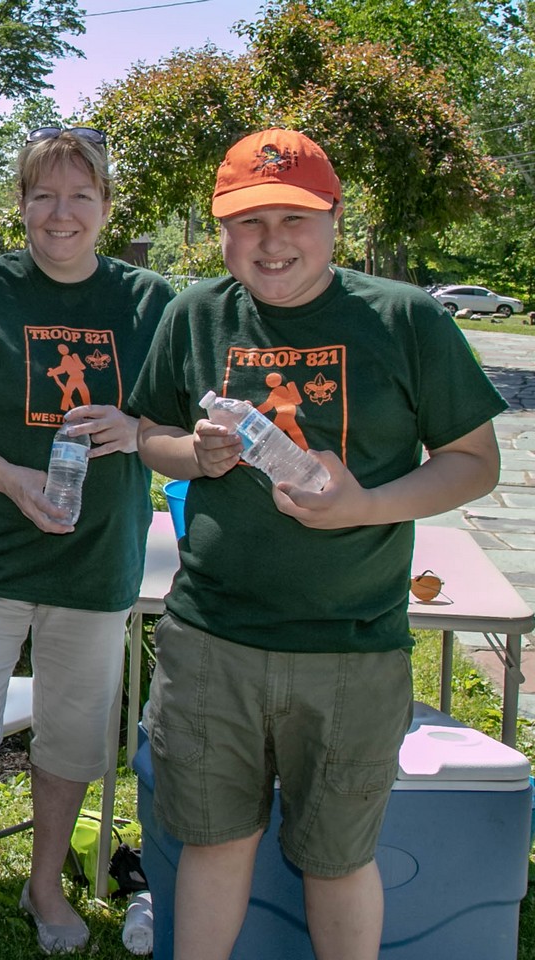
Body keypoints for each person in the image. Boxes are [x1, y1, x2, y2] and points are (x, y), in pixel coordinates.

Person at [131, 128, 506, 960]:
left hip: (353, 647)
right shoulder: (194, 314)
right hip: (211, 641)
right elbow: (147, 432)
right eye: (248, 220)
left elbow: (475, 462)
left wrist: (366, 504)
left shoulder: (405, 318)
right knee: (213, 842)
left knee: (337, 860)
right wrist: (193, 453)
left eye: (294, 218)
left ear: (335, 218)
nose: (271, 242)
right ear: (220, 228)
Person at [0, 127, 174, 959]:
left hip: (94, 562)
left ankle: (45, 882)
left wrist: (135, 428)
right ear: (20, 204)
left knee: (73, 735)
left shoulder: (152, 302)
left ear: (106, 206)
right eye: (44, 195)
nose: (63, 213)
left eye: (81, 196)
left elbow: (190, 420)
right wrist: (12, 480)